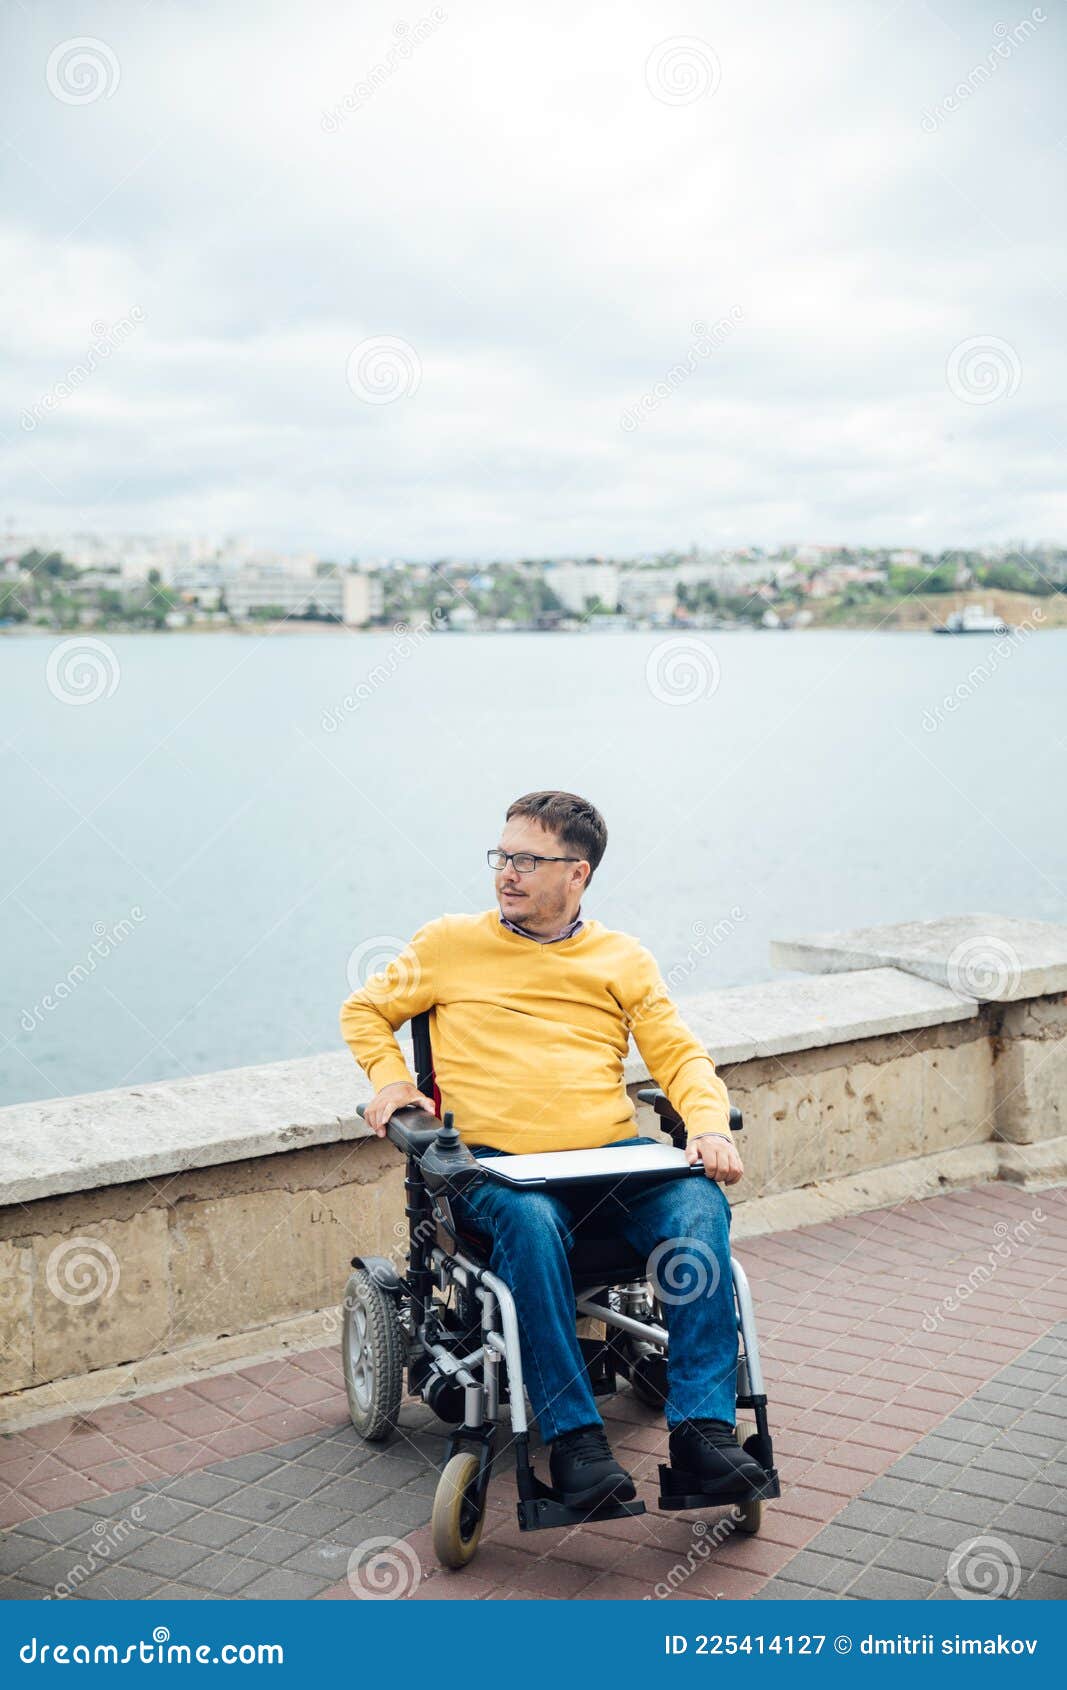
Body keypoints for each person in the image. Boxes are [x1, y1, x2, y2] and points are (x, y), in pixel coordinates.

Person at [340, 789, 764, 1510]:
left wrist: (706, 1127)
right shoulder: (448, 943)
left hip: (607, 1163)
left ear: (578, 875)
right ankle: (573, 1441)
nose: (507, 872)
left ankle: (704, 1432)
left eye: (528, 860)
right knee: (530, 1224)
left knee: (697, 1201)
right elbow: (365, 1011)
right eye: (502, 856)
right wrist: (394, 1083)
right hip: (495, 1168)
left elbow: (680, 1058)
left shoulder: (621, 959)